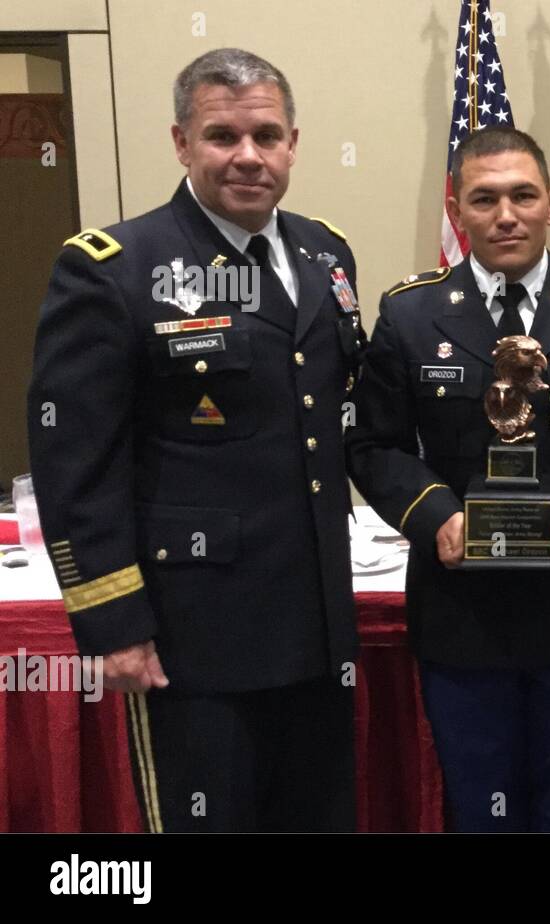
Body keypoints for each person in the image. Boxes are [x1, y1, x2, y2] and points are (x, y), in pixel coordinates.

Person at [27, 48, 363, 831]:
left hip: (315, 620)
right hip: (193, 633)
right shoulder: (115, 269)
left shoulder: (323, 254)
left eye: (267, 136)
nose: (248, 157)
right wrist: (113, 624)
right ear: (182, 143)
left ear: (292, 143)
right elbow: (75, 462)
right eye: (222, 136)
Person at [345, 126, 550, 832]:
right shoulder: (410, 314)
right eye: (484, 198)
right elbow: (375, 445)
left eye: (523, 196)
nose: (506, 215)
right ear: (457, 208)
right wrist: (439, 519)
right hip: (464, 617)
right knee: (480, 812)